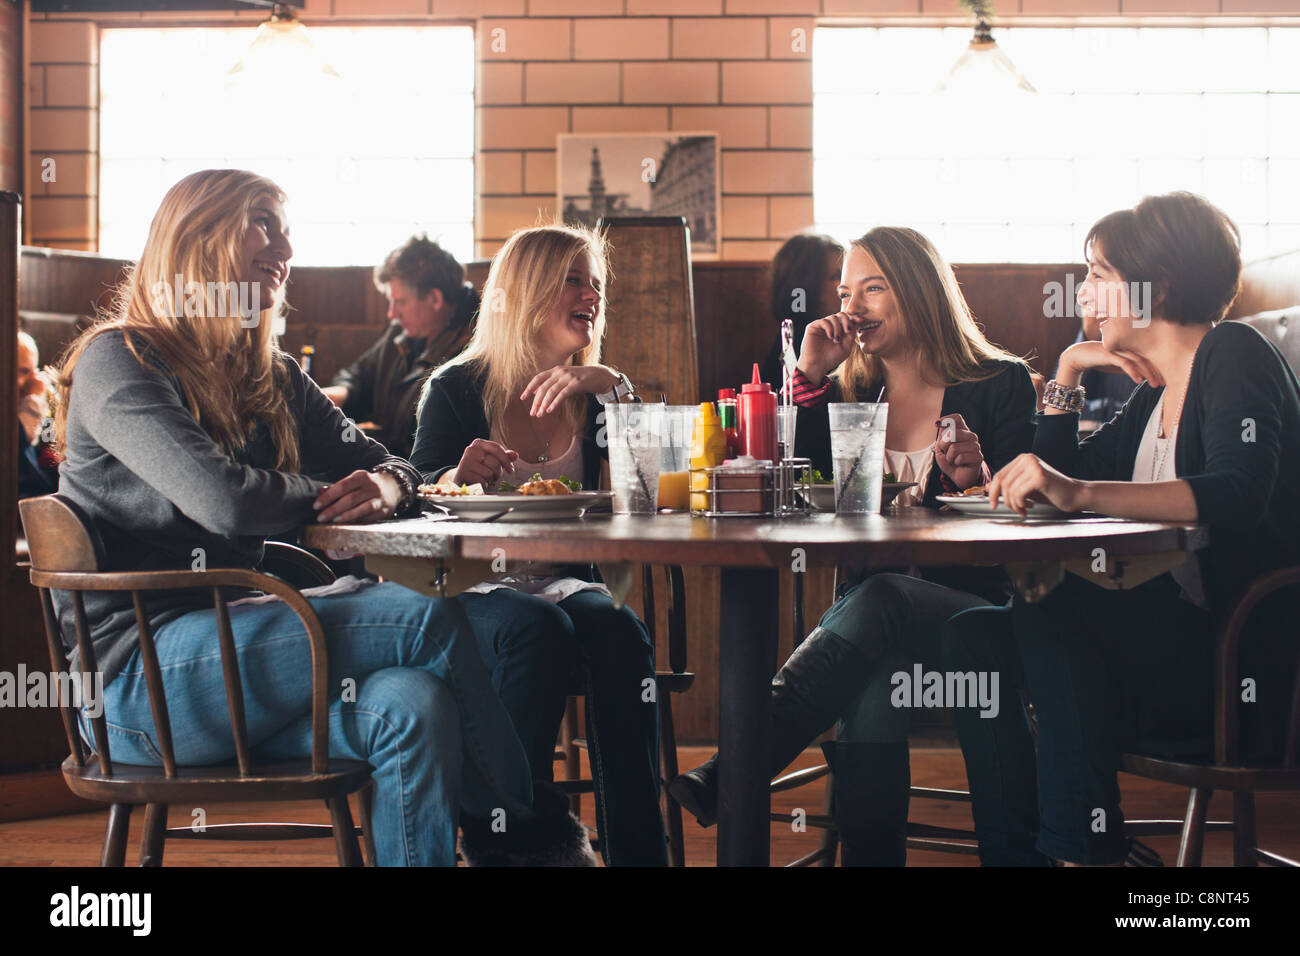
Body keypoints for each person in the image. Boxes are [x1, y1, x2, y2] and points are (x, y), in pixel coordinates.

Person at [51, 169, 593, 867]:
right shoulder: (120, 361)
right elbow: (225, 500)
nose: (285, 244)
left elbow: (395, 466)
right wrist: (332, 490)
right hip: (140, 688)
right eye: (264, 223)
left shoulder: (268, 374)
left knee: (416, 703)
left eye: (285, 227)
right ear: (200, 236)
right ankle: (534, 839)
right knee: (425, 614)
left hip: (244, 650)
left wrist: (390, 487)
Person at [943, 191, 1300, 866]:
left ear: (1155, 285)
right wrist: (1070, 370)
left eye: (1099, 275)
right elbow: (1053, 485)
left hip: (1240, 673)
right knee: (972, 639)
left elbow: (1238, 492)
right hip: (1172, 651)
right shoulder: (1155, 395)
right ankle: (1023, 856)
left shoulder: (1235, 353)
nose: (1083, 293)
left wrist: (1074, 490)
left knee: (1052, 604)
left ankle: (1082, 853)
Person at [670, 226, 1038, 864]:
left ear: (921, 292)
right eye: (845, 292)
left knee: (886, 597)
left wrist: (973, 479)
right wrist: (807, 375)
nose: (854, 306)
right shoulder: (850, 391)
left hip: (976, 619)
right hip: (869, 630)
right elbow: (789, 484)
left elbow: (1026, 520)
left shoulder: (999, 383)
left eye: (874, 287)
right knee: (871, 682)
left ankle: (738, 767)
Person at [411, 223, 668, 866]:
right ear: (525, 292)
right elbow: (414, 497)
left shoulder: (595, 396)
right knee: (541, 632)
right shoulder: (456, 387)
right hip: (472, 588)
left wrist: (610, 386)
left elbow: (649, 487)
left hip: (562, 577)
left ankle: (640, 854)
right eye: (573, 280)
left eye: (597, 284)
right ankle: (508, 839)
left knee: (620, 633)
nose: (591, 295)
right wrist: (453, 476)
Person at [321, 236, 478, 459]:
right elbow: (359, 375)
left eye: (400, 302)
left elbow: (426, 447)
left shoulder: (473, 348)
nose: (391, 313)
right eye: (390, 301)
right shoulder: (401, 331)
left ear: (434, 299)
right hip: (387, 462)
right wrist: (335, 395)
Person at [758, 233, 845, 390]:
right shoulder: (798, 341)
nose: (844, 287)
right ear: (808, 285)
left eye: (845, 276)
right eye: (835, 277)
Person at [1073, 304, 1135, 430]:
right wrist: (1087, 337)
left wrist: (1055, 402)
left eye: (1104, 283)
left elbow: (1137, 415)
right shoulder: (1104, 325)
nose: (1081, 295)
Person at [17, 331, 60, 498]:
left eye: (31, 371)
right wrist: (34, 399)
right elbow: (20, 438)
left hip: (44, 490)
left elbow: (50, 440)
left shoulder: (37, 399)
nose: (30, 381)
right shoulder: (30, 401)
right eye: (22, 371)